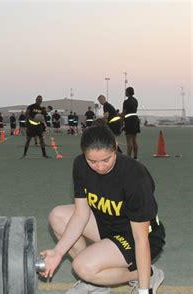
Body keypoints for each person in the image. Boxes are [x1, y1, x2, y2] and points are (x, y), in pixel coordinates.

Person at [40, 123, 166, 294]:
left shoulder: (135, 176)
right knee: (58, 216)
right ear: (84, 153)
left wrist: (145, 291)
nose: (100, 167)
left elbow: (140, 239)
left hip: (137, 235)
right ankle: (95, 282)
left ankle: (148, 274)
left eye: (106, 159)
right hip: (107, 224)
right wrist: (57, 252)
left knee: (82, 267)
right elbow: (81, 214)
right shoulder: (80, 165)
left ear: (115, 147)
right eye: (92, 160)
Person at [122, 87, 140, 159]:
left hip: (129, 120)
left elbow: (124, 112)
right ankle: (135, 156)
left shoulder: (126, 102)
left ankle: (129, 157)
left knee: (129, 140)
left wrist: (121, 120)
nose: (125, 93)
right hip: (135, 119)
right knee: (134, 139)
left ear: (128, 92)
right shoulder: (135, 100)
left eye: (126, 91)